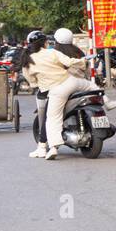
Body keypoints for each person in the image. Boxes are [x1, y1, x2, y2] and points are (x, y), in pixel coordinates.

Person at [28, 31, 94, 160]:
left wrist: (37, 83)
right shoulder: (78, 52)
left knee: (51, 117)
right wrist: (83, 62)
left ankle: (47, 146)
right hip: (80, 86)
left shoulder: (48, 53)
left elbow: (32, 78)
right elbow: (81, 66)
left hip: (58, 88)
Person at [18, 32, 51, 158]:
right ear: (45, 42)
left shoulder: (29, 58)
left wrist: (37, 83)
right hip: (70, 85)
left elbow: (31, 80)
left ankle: (42, 144)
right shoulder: (53, 53)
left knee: (48, 118)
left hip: (48, 90)